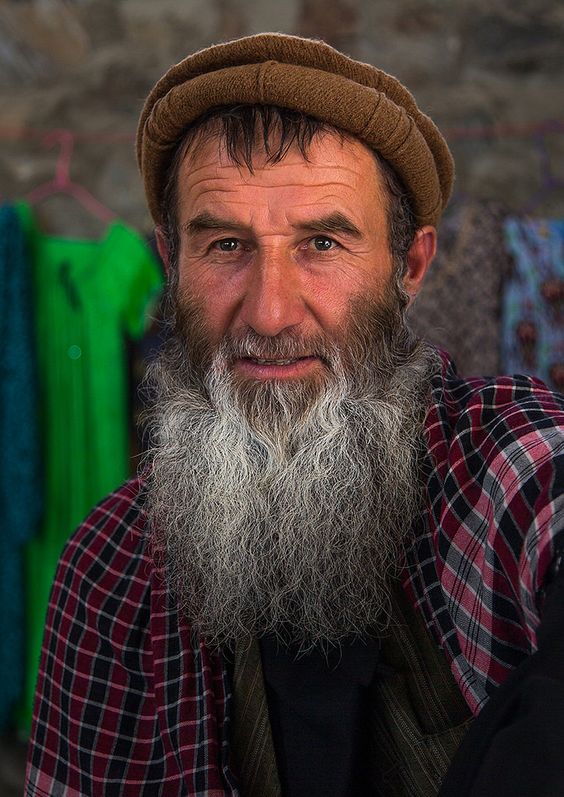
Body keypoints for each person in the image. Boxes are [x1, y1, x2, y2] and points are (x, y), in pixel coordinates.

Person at [25, 33, 564, 797]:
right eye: (225, 244)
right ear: (172, 265)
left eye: (321, 241)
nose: (270, 312)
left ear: (408, 266)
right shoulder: (108, 573)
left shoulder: (498, 460)